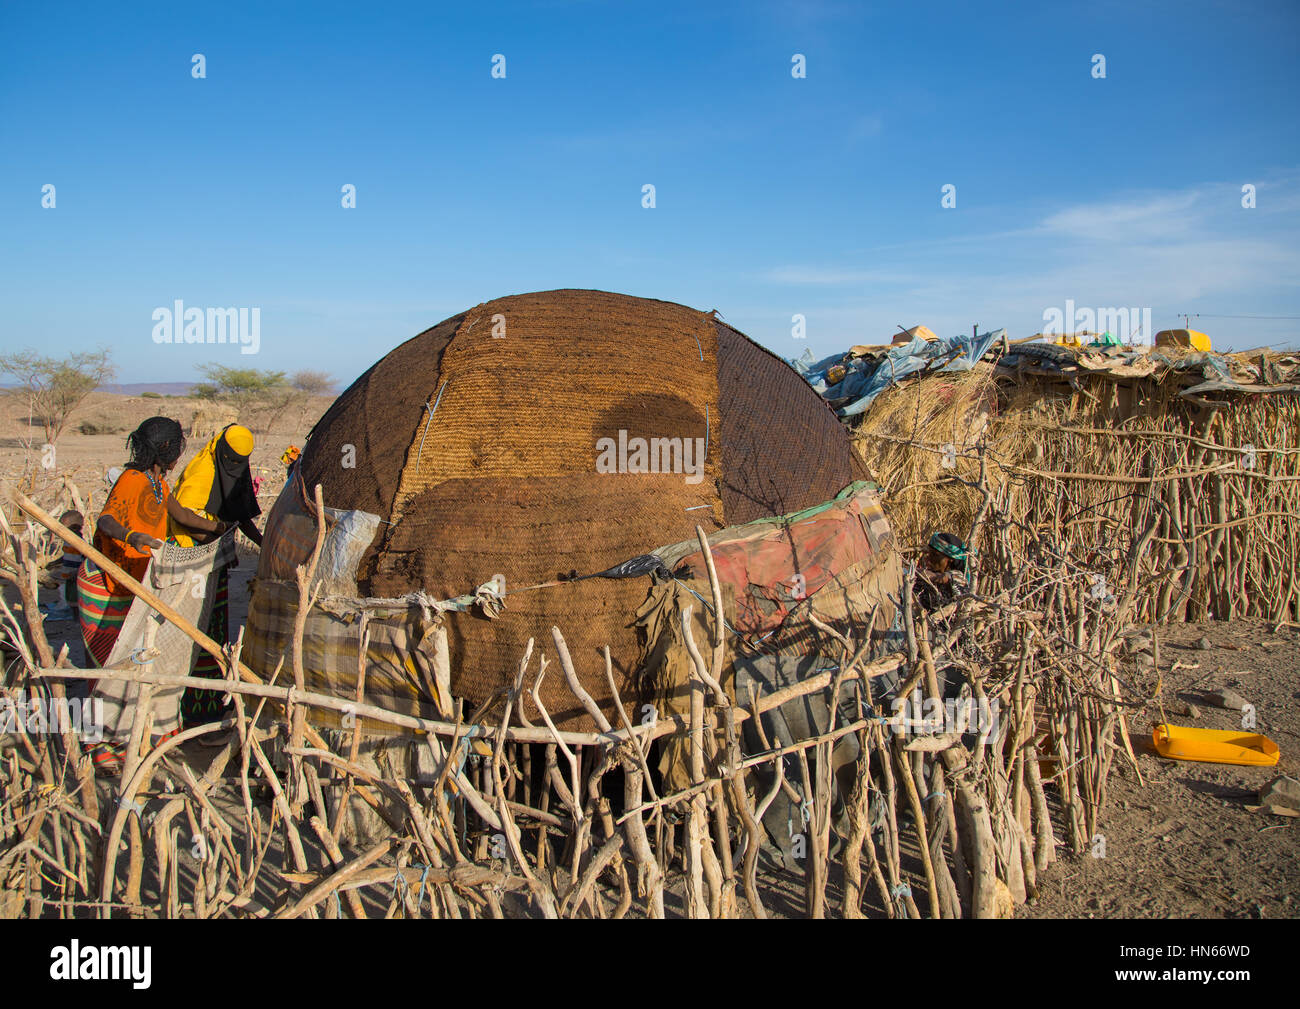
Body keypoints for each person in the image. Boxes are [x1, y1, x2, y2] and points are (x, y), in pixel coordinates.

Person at [80, 417, 220, 774]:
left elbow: (181, 515)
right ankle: (99, 744)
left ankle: (139, 731)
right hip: (109, 581)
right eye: (177, 449)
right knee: (111, 664)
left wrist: (219, 528)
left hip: (138, 581)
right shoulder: (132, 480)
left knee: (140, 656)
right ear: (166, 449)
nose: (179, 456)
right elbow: (106, 521)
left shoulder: (158, 483)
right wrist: (132, 537)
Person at [167, 424, 263, 731]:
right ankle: (181, 709)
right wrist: (218, 531)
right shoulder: (202, 471)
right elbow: (181, 514)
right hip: (188, 557)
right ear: (220, 449)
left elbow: (240, 513)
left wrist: (264, 544)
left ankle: (208, 705)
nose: (235, 465)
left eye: (240, 461)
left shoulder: (232, 471)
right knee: (190, 629)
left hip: (214, 559)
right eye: (231, 458)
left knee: (213, 628)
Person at [914, 531, 970, 611]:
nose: (929, 558)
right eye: (929, 553)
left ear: (950, 559)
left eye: (935, 555)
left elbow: (938, 577)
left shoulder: (958, 576)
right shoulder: (925, 577)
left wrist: (913, 571)